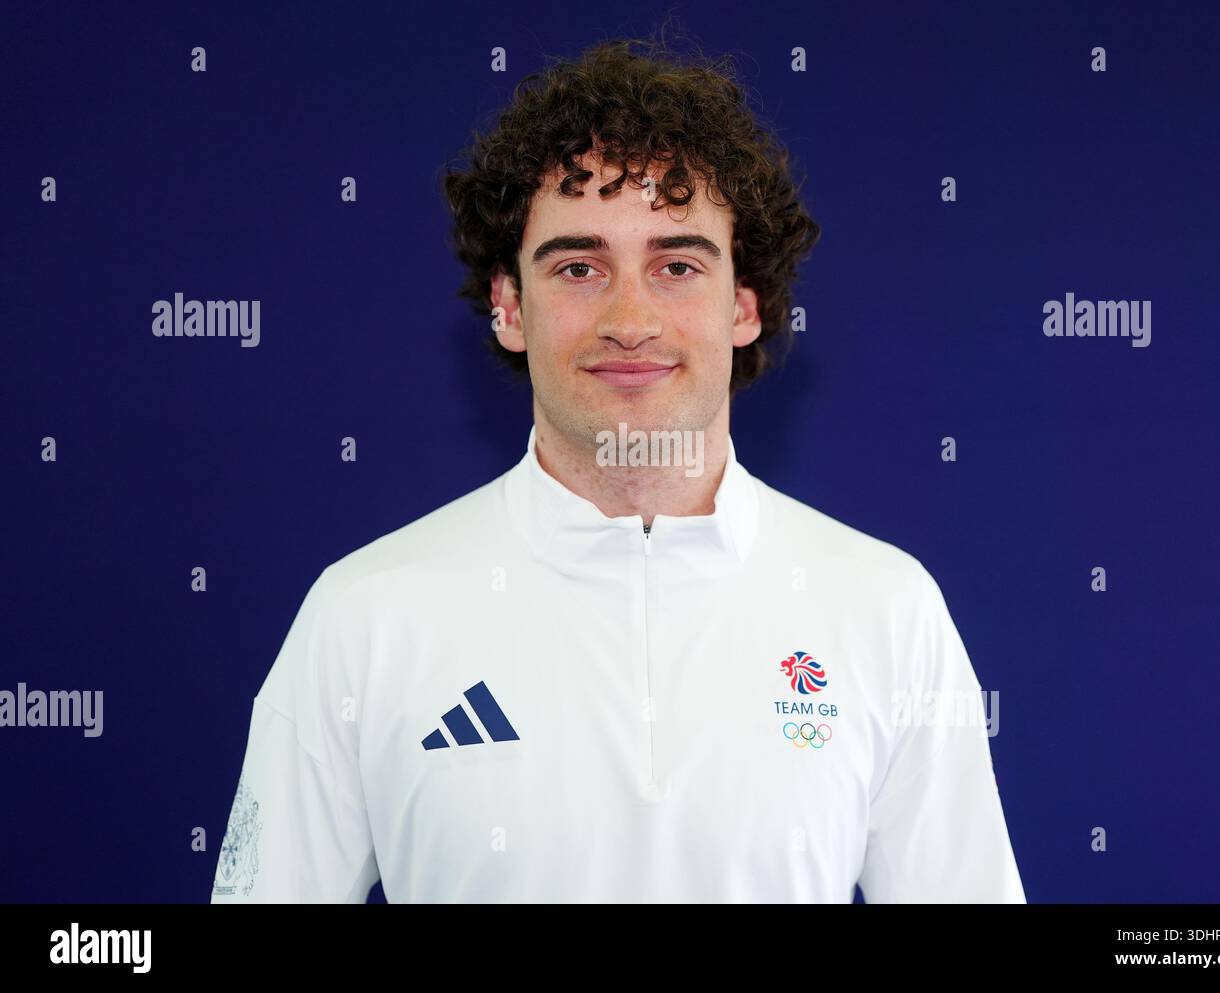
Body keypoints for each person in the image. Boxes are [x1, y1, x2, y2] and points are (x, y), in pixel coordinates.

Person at [211, 35, 1026, 904]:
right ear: (509, 307)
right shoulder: (362, 617)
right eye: (578, 266)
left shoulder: (886, 610)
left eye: (676, 265)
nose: (629, 317)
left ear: (743, 305)